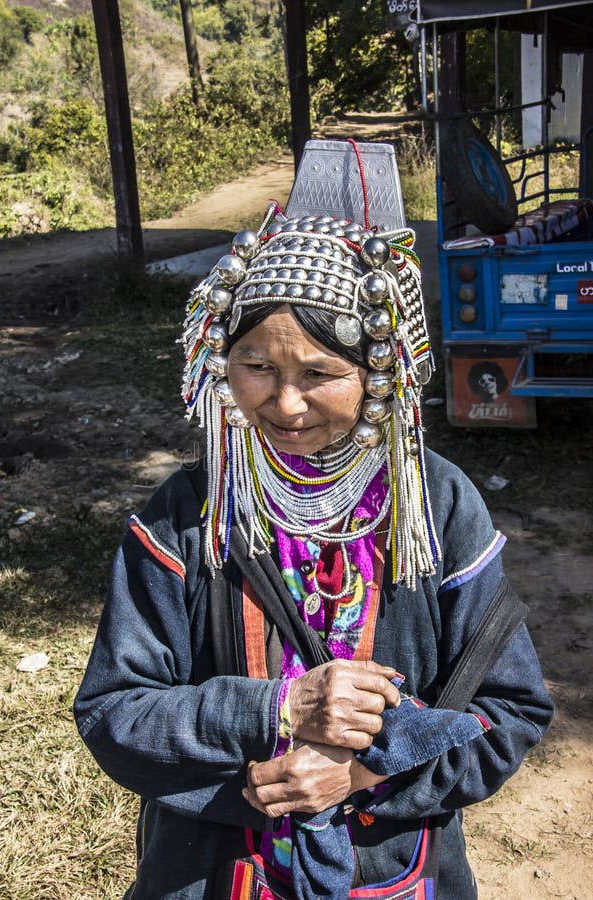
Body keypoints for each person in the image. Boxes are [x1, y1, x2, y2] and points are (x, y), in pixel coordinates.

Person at [74, 200, 553, 900]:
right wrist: (279, 708)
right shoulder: (184, 518)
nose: (285, 404)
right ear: (221, 363)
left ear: (378, 373)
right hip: (214, 873)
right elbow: (113, 714)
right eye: (255, 365)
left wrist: (364, 772)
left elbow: (511, 711)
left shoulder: (435, 508)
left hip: (394, 872)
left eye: (320, 373)